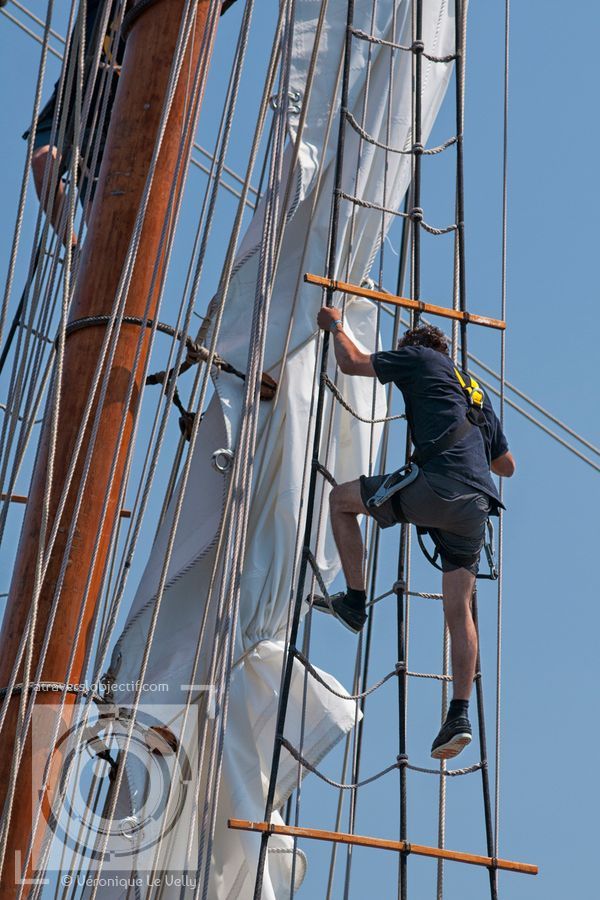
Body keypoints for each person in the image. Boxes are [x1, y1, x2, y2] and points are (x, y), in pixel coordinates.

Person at [315, 306, 515, 760]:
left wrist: (334, 325)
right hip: (477, 508)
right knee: (457, 609)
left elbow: (350, 362)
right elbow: (507, 466)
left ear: (416, 349)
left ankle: (355, 602)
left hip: (438, 488)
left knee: (341, 501)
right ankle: (458, 714)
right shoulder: (473, 390)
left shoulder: (419, 358)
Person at [23, 0, 127, 245]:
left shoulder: (151, 18)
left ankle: (94, 262)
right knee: (43, 163)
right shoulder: (101, 5)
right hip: (67, 110)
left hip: (105, 126)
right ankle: (72, 247)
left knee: (100, 219)